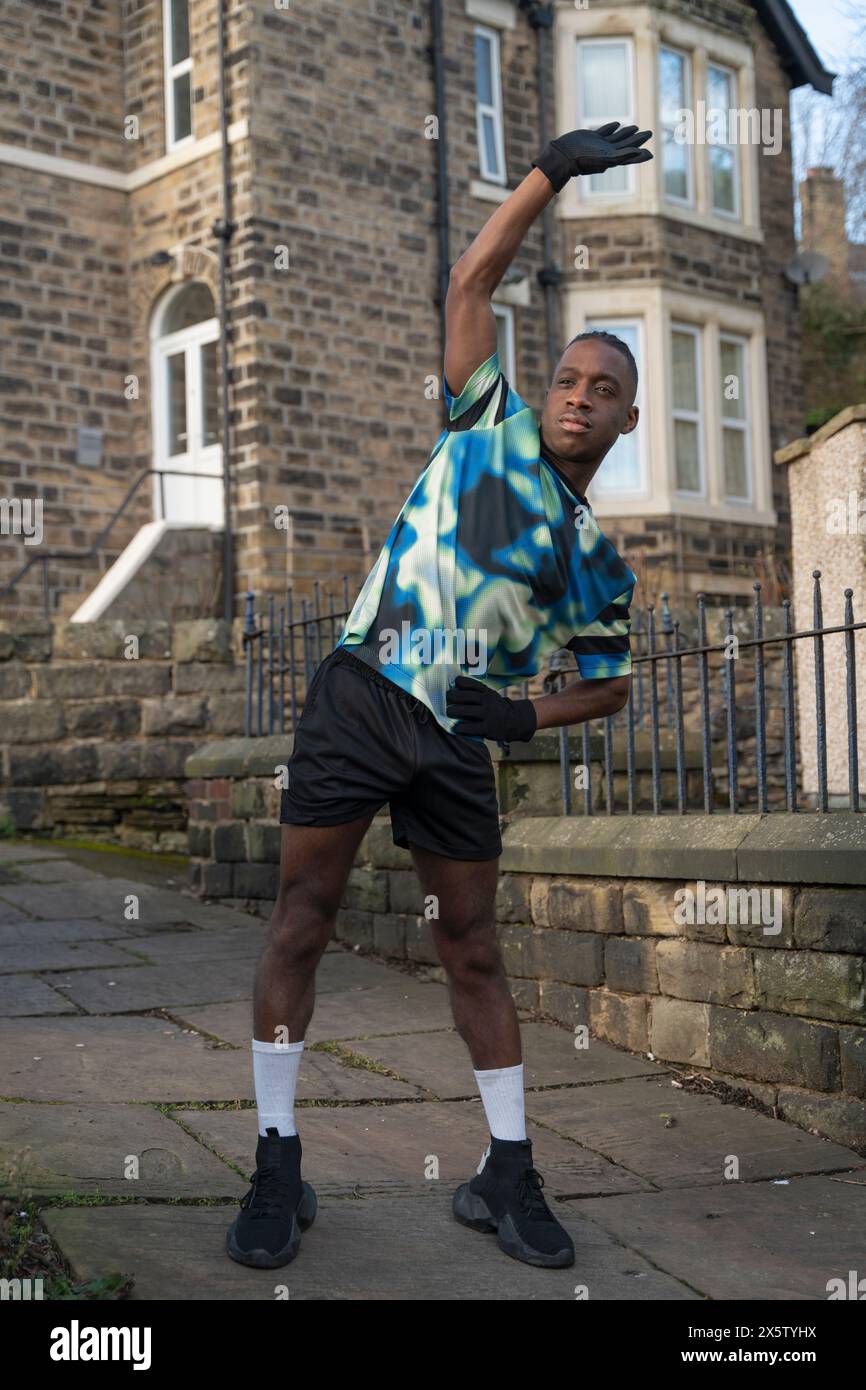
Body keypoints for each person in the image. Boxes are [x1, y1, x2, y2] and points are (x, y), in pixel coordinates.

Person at [227, 121, 652, 1273]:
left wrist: (525, 717)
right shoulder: (483, 422)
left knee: (469, 944)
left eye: (600, 389)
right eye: (566, 376)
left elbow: (608, 687)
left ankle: (505, 1171)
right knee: (300, 918)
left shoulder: (596, 562)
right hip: (361, 694)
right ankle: (277, 1159)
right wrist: (549, 172)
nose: (575, 395)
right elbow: (472, 277)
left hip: (461, 734)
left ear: (625, 420)